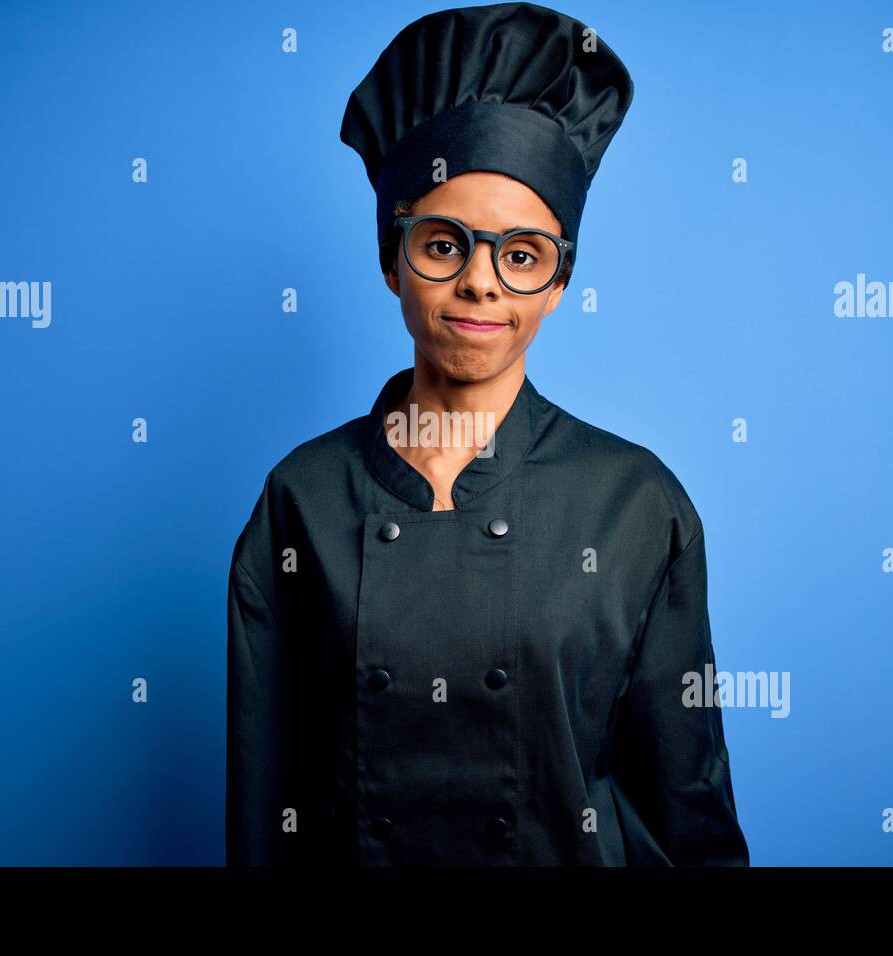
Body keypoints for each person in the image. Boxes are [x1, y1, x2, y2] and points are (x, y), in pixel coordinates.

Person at [226, 0, 749, 866]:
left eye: (521, 254)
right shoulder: (301, 500)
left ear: (558, 281)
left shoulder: (637, 504)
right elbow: (266, 802)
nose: (480, 284)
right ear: (392, 260)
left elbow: (686, 804)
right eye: (443, 244)